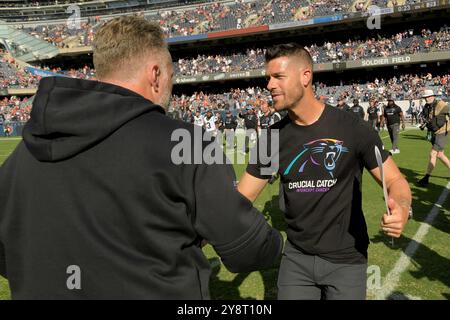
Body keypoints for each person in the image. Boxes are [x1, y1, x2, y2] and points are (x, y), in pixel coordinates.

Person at [0, 16, 283, 300]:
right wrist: (274, 242)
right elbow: (250, 250)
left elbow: (9, 257)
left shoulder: (22, 156)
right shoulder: (187, 143)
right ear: (156, 74)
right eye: (172, 77)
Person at [237, 43, 411, 300]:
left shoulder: (354, 129)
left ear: (305, 76)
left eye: (278, 77)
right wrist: (201, 232)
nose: (269, 85)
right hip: (297, 259)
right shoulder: (272, 138)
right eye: (268, 78)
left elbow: (395, 179)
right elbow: (243, 198)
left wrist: (403, 208)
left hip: (347, 261)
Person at [417, 89, 450, 186]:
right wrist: (424, 124)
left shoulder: (440, 104)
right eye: (425, 97)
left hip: (443, 131)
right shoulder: (426, 106)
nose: (426, 99)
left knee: (433, 154)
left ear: (432, 96)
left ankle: (426, 178)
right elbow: (427, 118)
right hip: (434, 132)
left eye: (427, 97)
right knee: (440, 155)